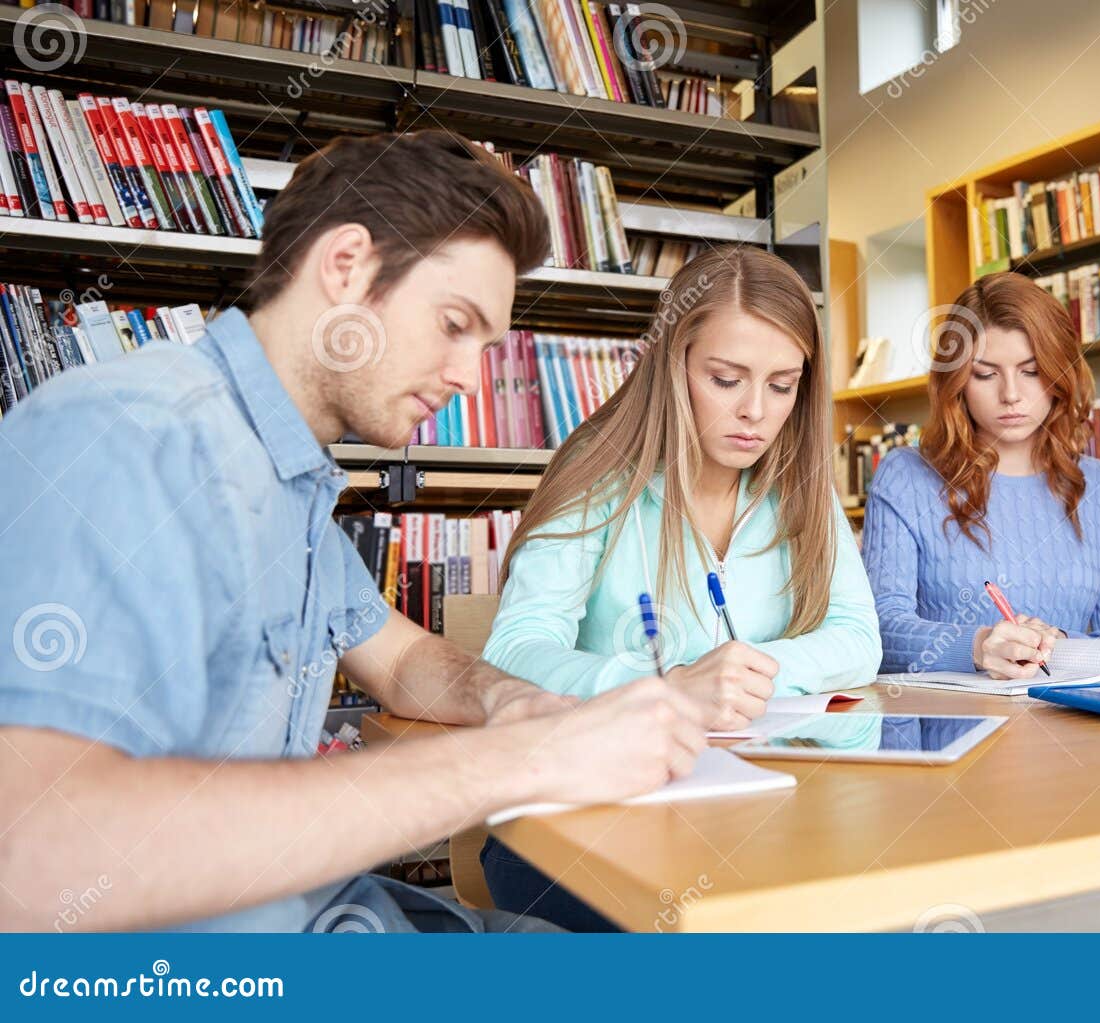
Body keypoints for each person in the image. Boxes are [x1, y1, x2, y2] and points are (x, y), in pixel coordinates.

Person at [0, 130, 710, 933]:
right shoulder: (131, 439)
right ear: (345, 267)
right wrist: (525, 761)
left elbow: (404, 660)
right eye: (453, 323)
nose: (468, 377)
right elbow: (35, 854)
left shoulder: (290, 480)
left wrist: (511, 701)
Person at [478, 244, 882, 926]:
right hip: (584, 820)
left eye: (783, 385)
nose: (756, 410)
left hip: (760, 807)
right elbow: (513, 650)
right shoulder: (599, 471)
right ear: (674, 363)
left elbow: (857, 636)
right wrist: (664, 689)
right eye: (726, 378)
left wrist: (748, 677)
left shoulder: (800, 488)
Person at [863, 271, 1100, 682]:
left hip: (1077, 730)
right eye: (985, 374)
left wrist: (1057, 643)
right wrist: (977, 647)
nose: (1011, 394)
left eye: (1031, 371)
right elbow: (879, 633)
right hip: (950, 736)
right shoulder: (905, 476)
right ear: (956, 381)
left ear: (1059, 375)